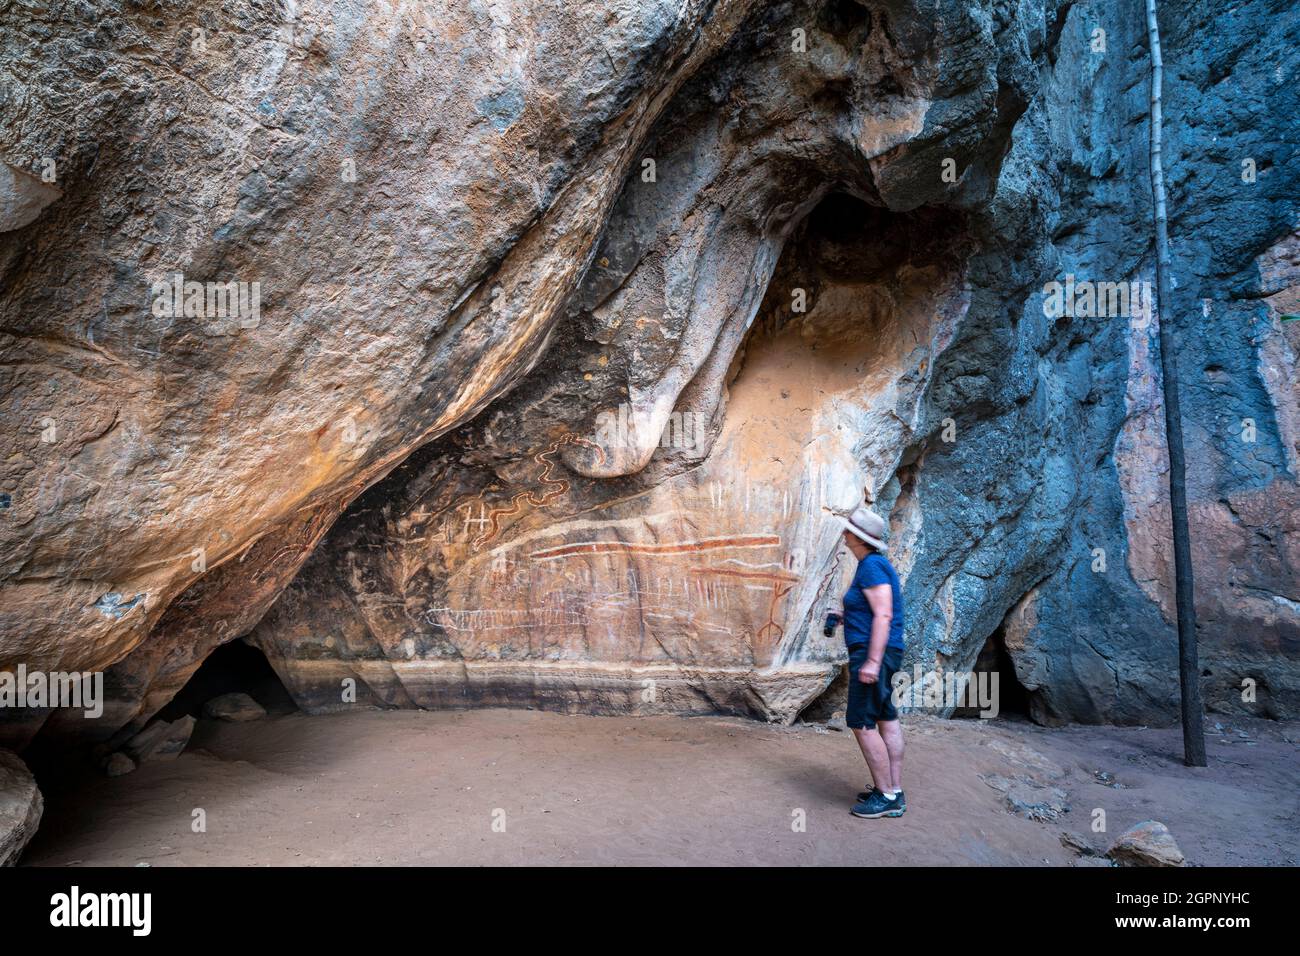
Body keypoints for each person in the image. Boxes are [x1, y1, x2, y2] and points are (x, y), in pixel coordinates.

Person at [824, 505, 906, 819]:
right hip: (884, 652)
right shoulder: (872, 566)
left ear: (857, 537)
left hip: (874, 654)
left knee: (860, 721)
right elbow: (876, 611)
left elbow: (884, 614)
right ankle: (892, 789)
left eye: (848, 530)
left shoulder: (871, 567)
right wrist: (845, 615)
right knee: (886, 718)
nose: (844, 534)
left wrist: (872, 661)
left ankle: (886, 797)